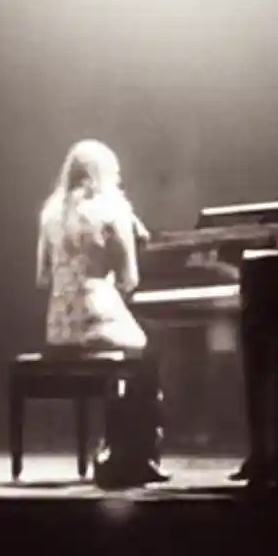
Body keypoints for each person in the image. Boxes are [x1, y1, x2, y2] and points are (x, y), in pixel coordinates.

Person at [37, 139, 167, 488]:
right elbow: (130, 280)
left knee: (130, 356)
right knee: (147, 353)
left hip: (58, 327)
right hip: (96, 318)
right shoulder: (113, 211)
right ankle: (138, 452)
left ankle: (116, 446)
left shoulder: (50, 213)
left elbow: (42, 277)